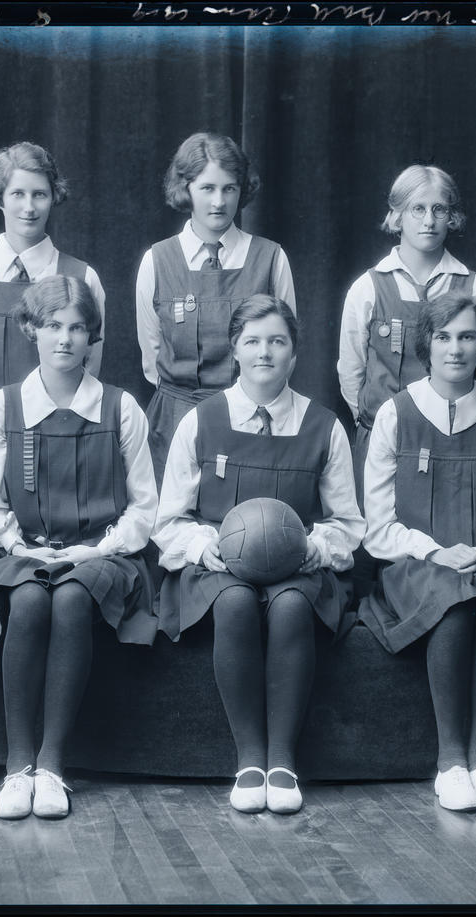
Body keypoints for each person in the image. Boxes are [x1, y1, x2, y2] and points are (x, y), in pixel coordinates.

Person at [153, 295, 362, 815]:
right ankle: (249, 757)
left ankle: (283, 760)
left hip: (299, 567)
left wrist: (317, 547)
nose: (265, 352)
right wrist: (205, 549)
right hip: (219, 567)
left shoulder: (324, 426)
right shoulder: (201, 421)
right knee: (235, 603)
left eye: (277, 341)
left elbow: (348, 522)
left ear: (294, 354)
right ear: (236, 351)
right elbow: (169, 521)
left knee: (291, 606)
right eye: (253, 341)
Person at [0, 275, 159, 820]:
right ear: (31, 330)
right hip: (23, 551)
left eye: (77, 328)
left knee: (69, 600)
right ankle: (16, 764)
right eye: (52, 326)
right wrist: (20, 545)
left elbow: (145, 509)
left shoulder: (121, 408)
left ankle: (52, 766)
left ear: (92, 336)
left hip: (103, 557)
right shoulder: (3, 407)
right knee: (27, 600)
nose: (65, 339)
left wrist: (93, 553)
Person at [360, 292, 476, 812]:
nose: (456, 349)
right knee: (454, 602)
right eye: (443, 337)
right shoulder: (395, 415)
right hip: (414, 566)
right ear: (426, 345)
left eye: (467, 337)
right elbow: (379, 526)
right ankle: (450, 763)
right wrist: (436, 553)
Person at [0, 141, 106, 576]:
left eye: (40, 194)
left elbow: (89, 367)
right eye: (18, 194)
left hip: (56, 438)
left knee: (52, 563)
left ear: (54, 197)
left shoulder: (82, 278)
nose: (29, 207)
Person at [337, 164, 476, 495]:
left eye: (439, 209)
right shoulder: (367, 288)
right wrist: (381, 423)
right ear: (397, 216)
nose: (428, 221)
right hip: (384, 443)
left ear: (452, 217)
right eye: (418, 209)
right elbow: (351, 371)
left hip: (458, 443)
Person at [136, 132, 296, 480]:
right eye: (207, 188)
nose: (219, 201)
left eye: (229, 188)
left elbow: (285, 349)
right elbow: (152, 355)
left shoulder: (270, 258)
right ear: (186, 189)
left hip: (251, 418)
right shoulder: (157, 260)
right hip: (175, 420)